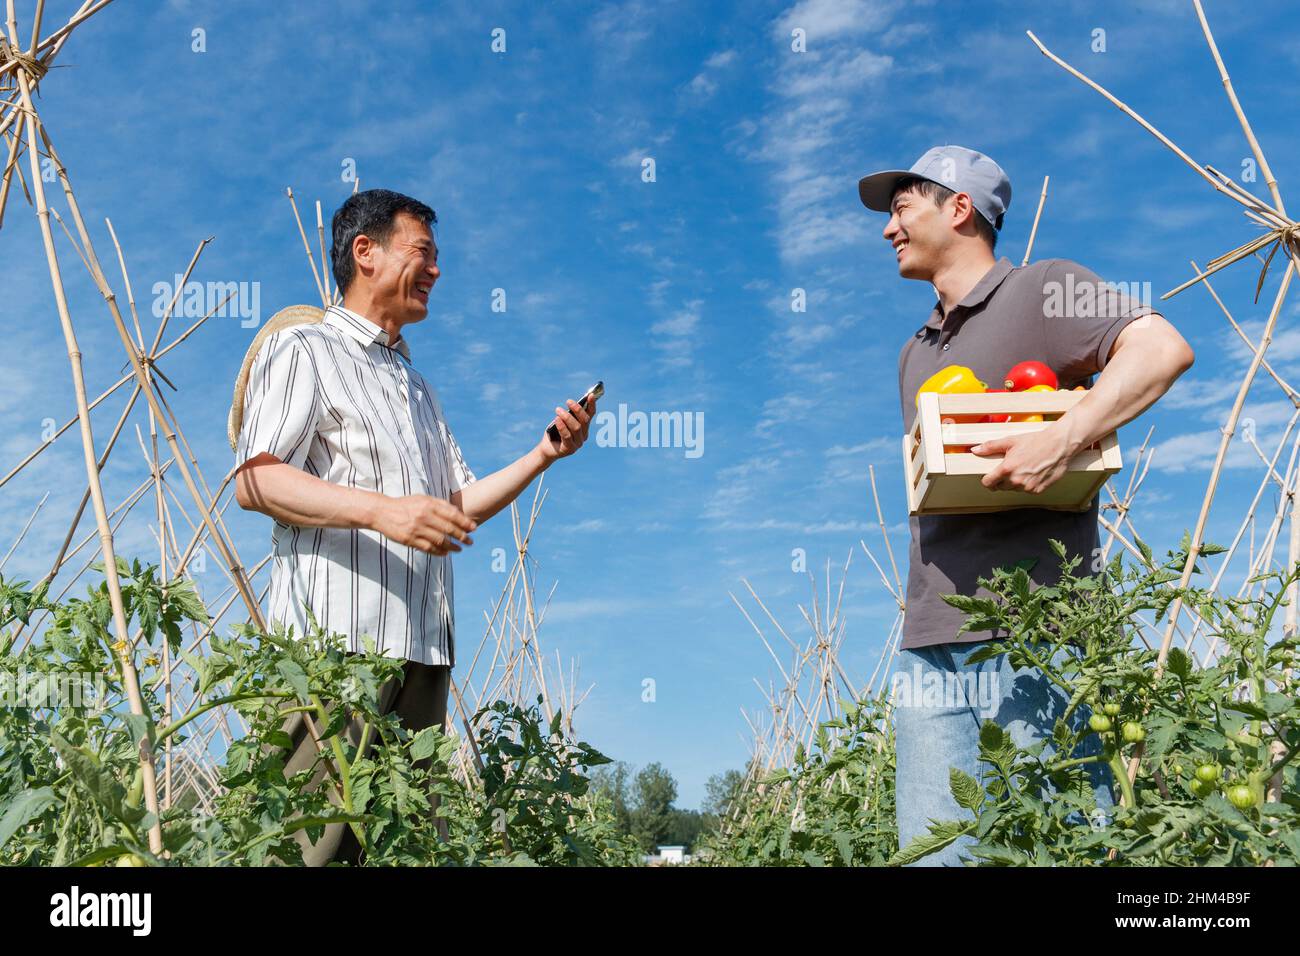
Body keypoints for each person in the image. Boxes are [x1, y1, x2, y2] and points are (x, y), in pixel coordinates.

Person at [233, 188, 595, 864]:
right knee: (309, 851)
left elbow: (453, 505)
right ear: (364, 253)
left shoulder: (416, 386)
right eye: (423, 252)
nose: (436, 270)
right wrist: (382, 510)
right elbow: (254, 480)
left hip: (424, 654)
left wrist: (546, 453)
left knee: (396, 852)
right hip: (336, 659)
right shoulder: (304, 349)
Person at [857, 146, 1195, 865]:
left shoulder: (1045, 289)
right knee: (932, 855)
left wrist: (1066, 432)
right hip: (929, 639)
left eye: (901, 207)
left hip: (1035, 628)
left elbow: (1160, 348)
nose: (888, 229)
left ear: (959, 208)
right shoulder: (915, 352)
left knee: (1058, 845)